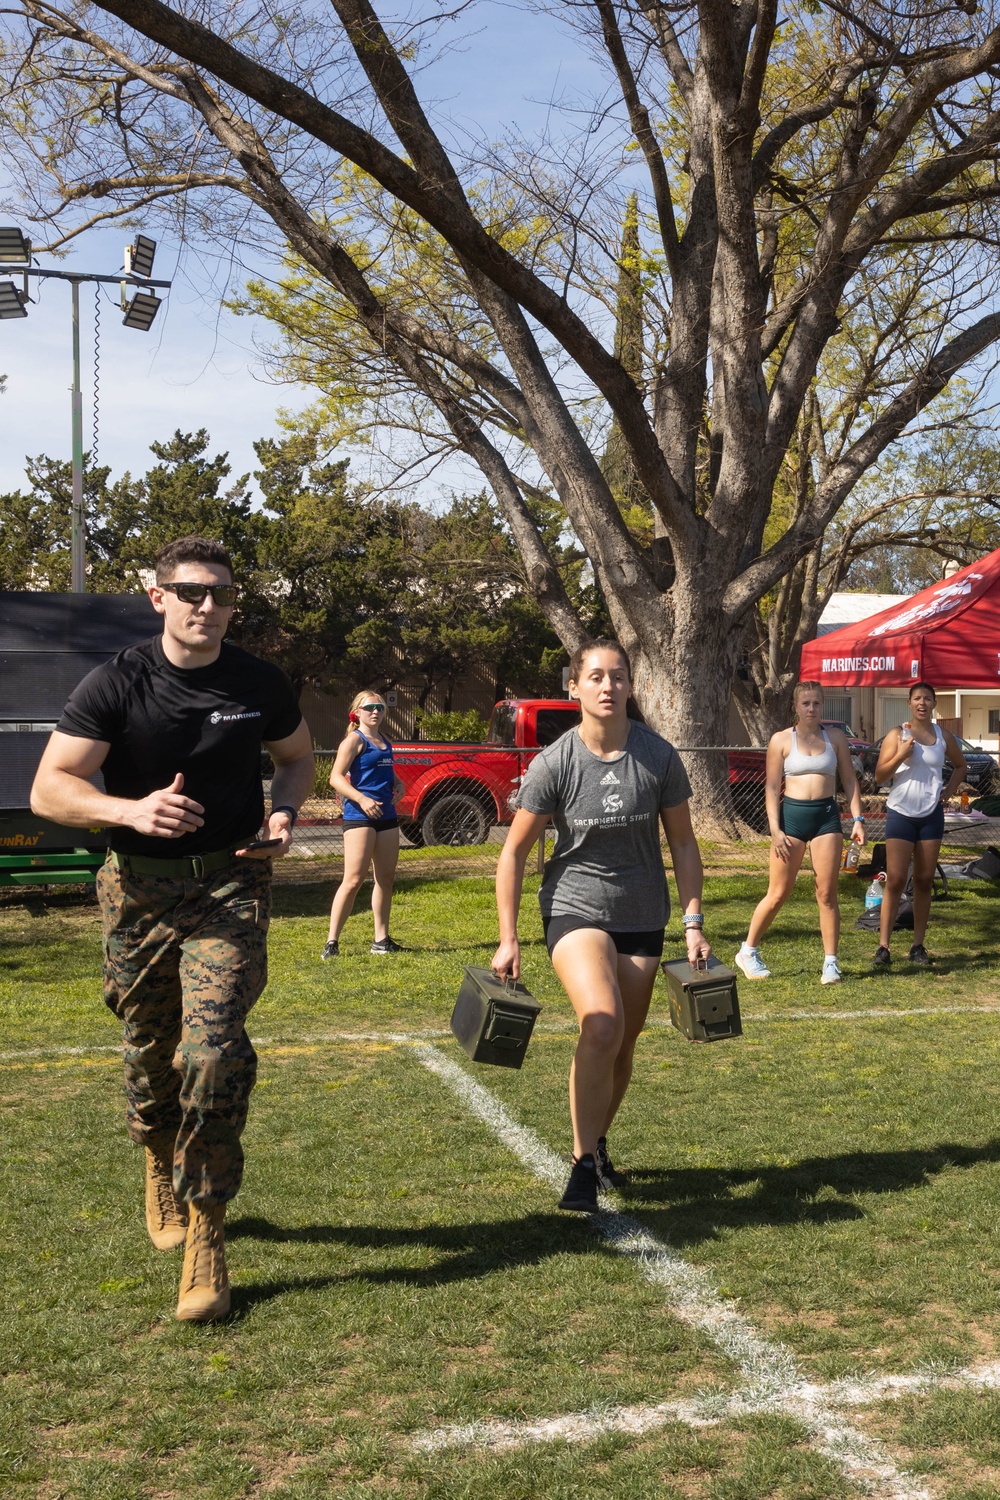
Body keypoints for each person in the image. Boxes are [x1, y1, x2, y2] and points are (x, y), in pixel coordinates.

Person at [30, 536, 314, 1322]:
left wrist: (286, 810)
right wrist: (129, 809)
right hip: (138, 895)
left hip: (229, 884)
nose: (207, 607)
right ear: (158, 598)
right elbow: (51, 788)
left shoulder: (258, 682)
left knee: (213, 1052)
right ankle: (159, 1156)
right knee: (152, 1051)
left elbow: (296, 756)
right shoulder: (117, 684)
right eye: (190, 592)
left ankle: (207, 1236)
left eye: (221, 594)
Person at [491, 639, 711, 1213]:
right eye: (595, 677)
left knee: (624, 1043)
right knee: (603, 1022)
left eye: (617, 676)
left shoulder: (659, 756)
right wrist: (508, 937)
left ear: (631, 685)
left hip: (642, 913)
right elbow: (513, 853)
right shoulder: (554, 762)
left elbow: (684, 843)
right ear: (575, 688)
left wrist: (694, 921)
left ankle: (597, 1141)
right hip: (574, 908)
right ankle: (583, 1163)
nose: (607, 686)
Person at [734, 682, 864, 985]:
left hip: (827, 820)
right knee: (778, 893)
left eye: (817, 703)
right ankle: (748, 950)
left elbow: (849, 780)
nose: (811, 709)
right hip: (791, 820)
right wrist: (775, 829)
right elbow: (769, 787)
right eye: (805, 703)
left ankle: (831, 963)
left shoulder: (835, 738)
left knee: (827, 894)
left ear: (823, 706)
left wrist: (857, 819)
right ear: (796, 706)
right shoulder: (781, 740)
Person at [871, 681, 966, 970]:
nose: (922, 703)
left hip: (930, 816)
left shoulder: (942, 736)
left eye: (927, 698)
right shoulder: (898, 734)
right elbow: (878, 776)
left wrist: (947, 793)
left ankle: (917, 946)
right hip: (900, 813)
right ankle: (884, 947)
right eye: (916, 698)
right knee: (896, 880)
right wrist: (900, 754)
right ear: (909, 704)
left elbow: (960, 765)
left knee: (924, 881)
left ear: (934, 704)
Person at [323, 691, 405, 957]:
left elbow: (382, 771)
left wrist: (397, 783)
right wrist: (362, 799)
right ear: (356, 712)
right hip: (359, 816)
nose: (375, 712)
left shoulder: (384, 741)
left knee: (386, 878)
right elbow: (335, 778)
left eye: (379, 707)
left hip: (386, 816)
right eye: (369, 707)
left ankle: (381, 941)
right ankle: (332, 942)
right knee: (354, 879)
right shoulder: (353, 740)